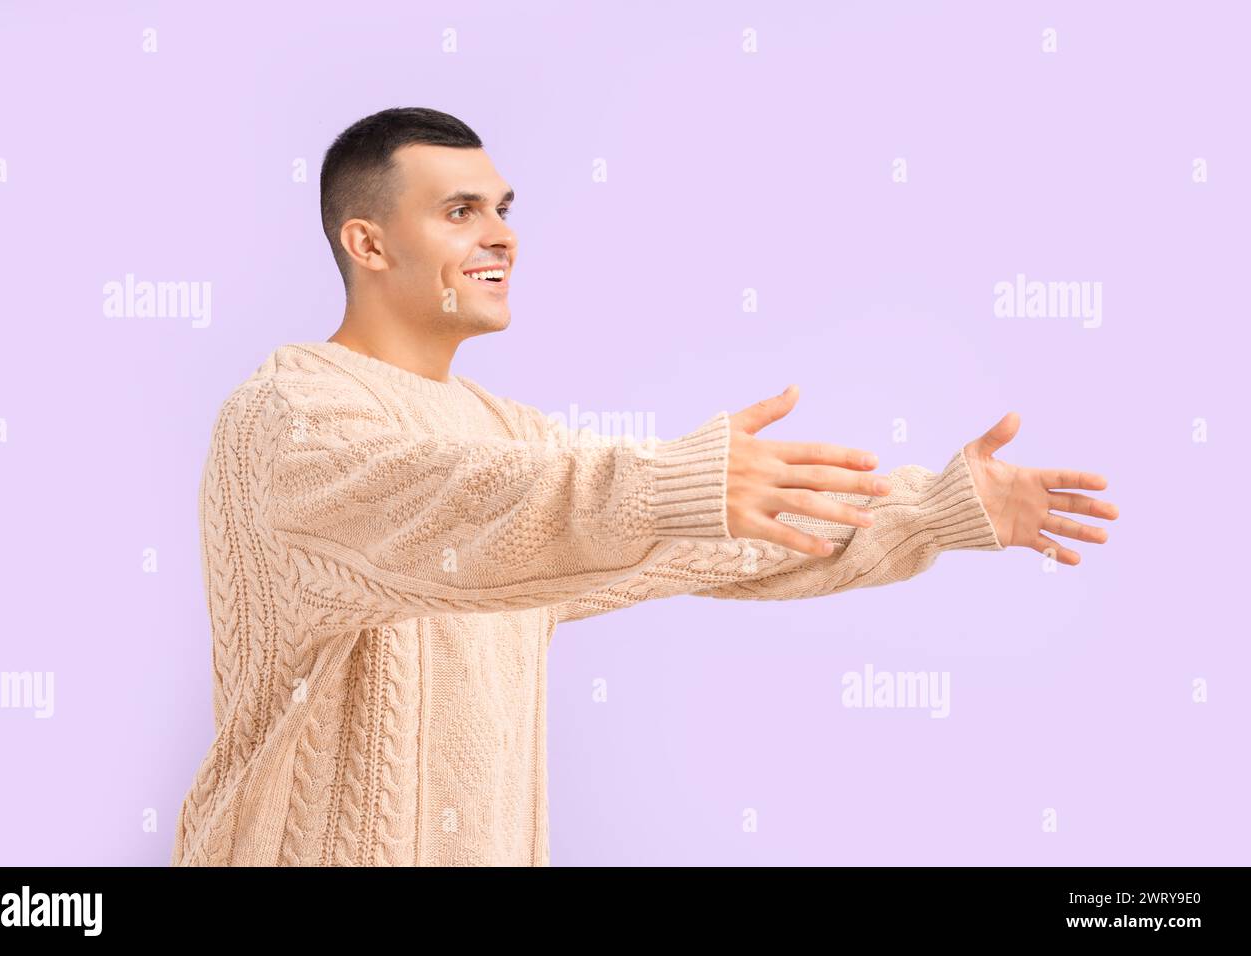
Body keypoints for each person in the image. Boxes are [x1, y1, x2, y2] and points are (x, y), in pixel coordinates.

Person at [169, 107, 1119, 867]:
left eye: (504, 207)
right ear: (368, 245)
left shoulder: (511, 434)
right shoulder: (288, 420)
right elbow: (450, 504)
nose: (502, 235)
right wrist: (672, 484)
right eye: (461, 211)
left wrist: (937, 511)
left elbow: (699, 537)